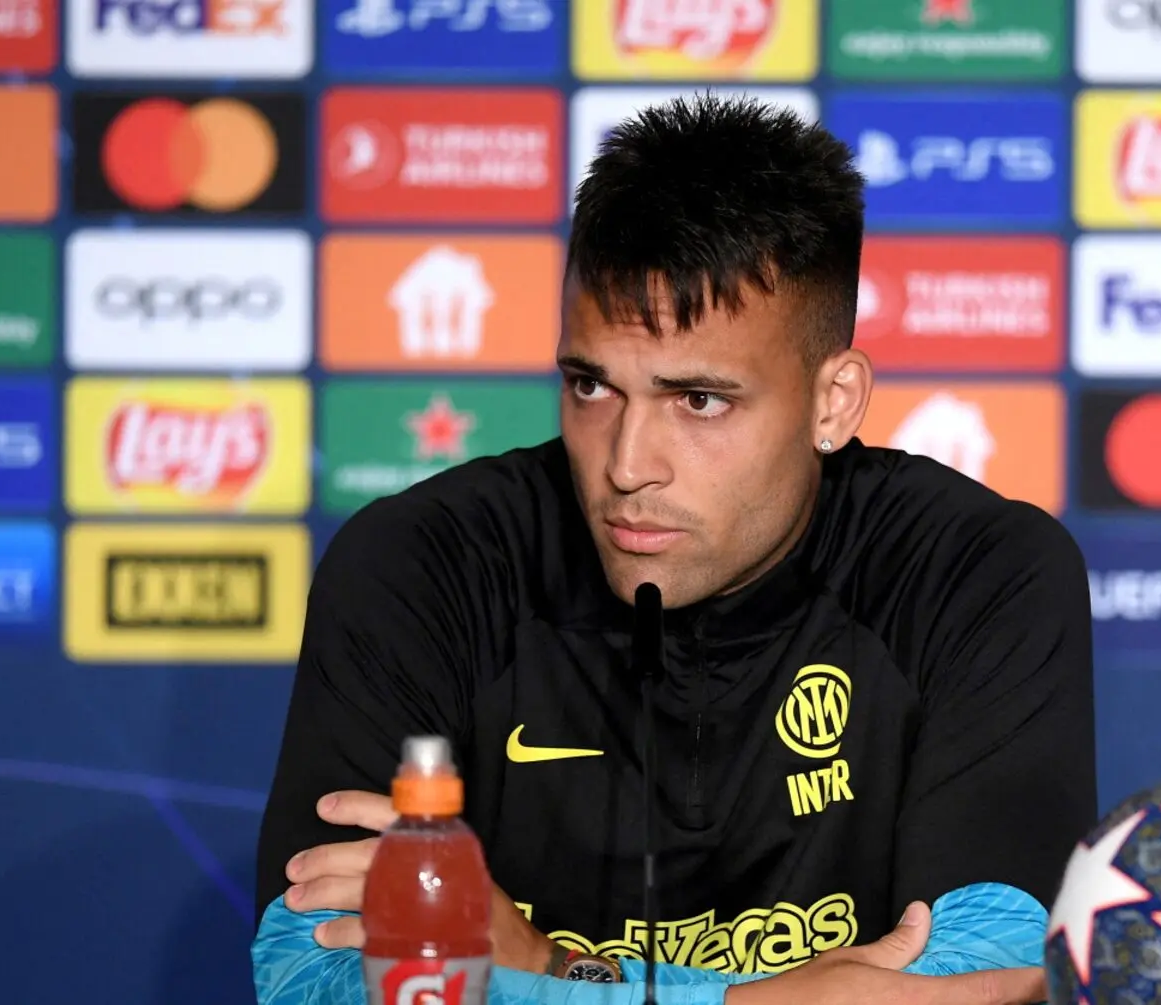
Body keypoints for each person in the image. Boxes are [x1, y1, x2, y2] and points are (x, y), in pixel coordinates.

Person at [251, 92, 1097, 1005]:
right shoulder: (425, 565)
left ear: (834, 402)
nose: (626, 465)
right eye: (592, 386)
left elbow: (989, 980)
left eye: (698, 400)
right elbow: (312, 978)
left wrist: (542, 968)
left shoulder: (973, 570)